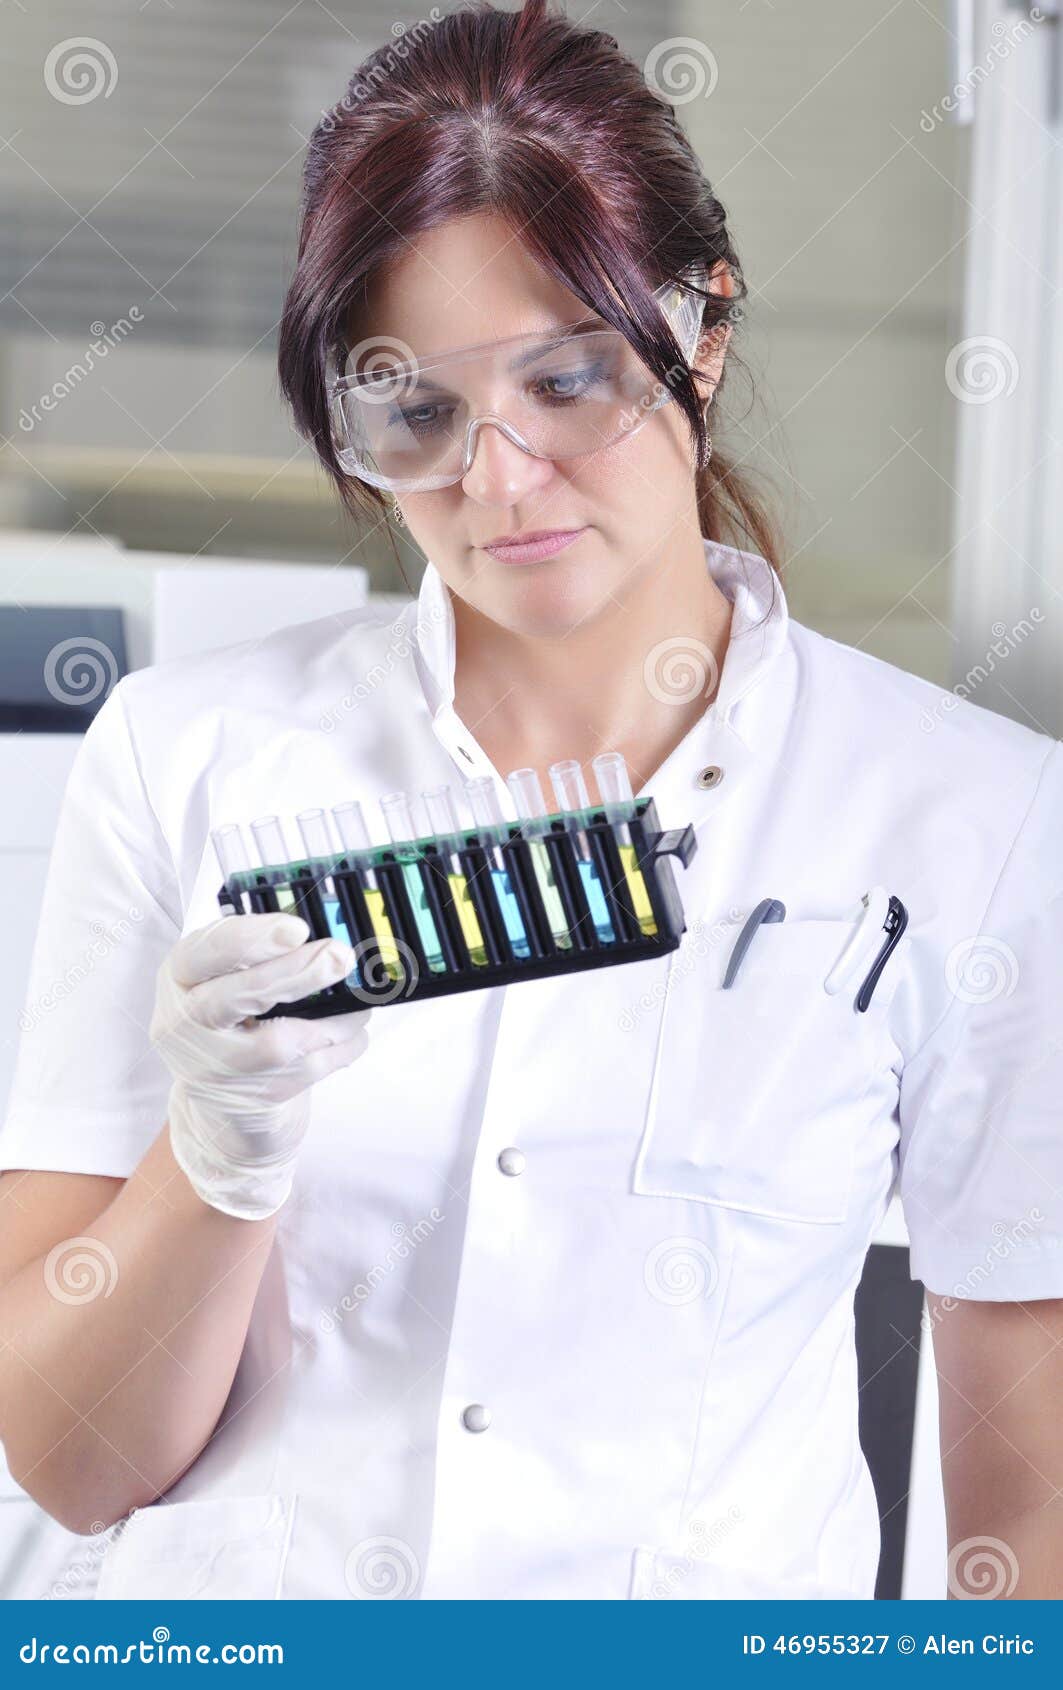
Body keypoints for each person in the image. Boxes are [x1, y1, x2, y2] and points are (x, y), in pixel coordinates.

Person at [1, 0, 1061, 1602]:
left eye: (569, 381)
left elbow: (1026, 1527)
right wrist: (215, 1158)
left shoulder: (971, 820)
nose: (499, 480)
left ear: (703, 327)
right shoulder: (181, 755)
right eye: (416, 411)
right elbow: (70, 1464)